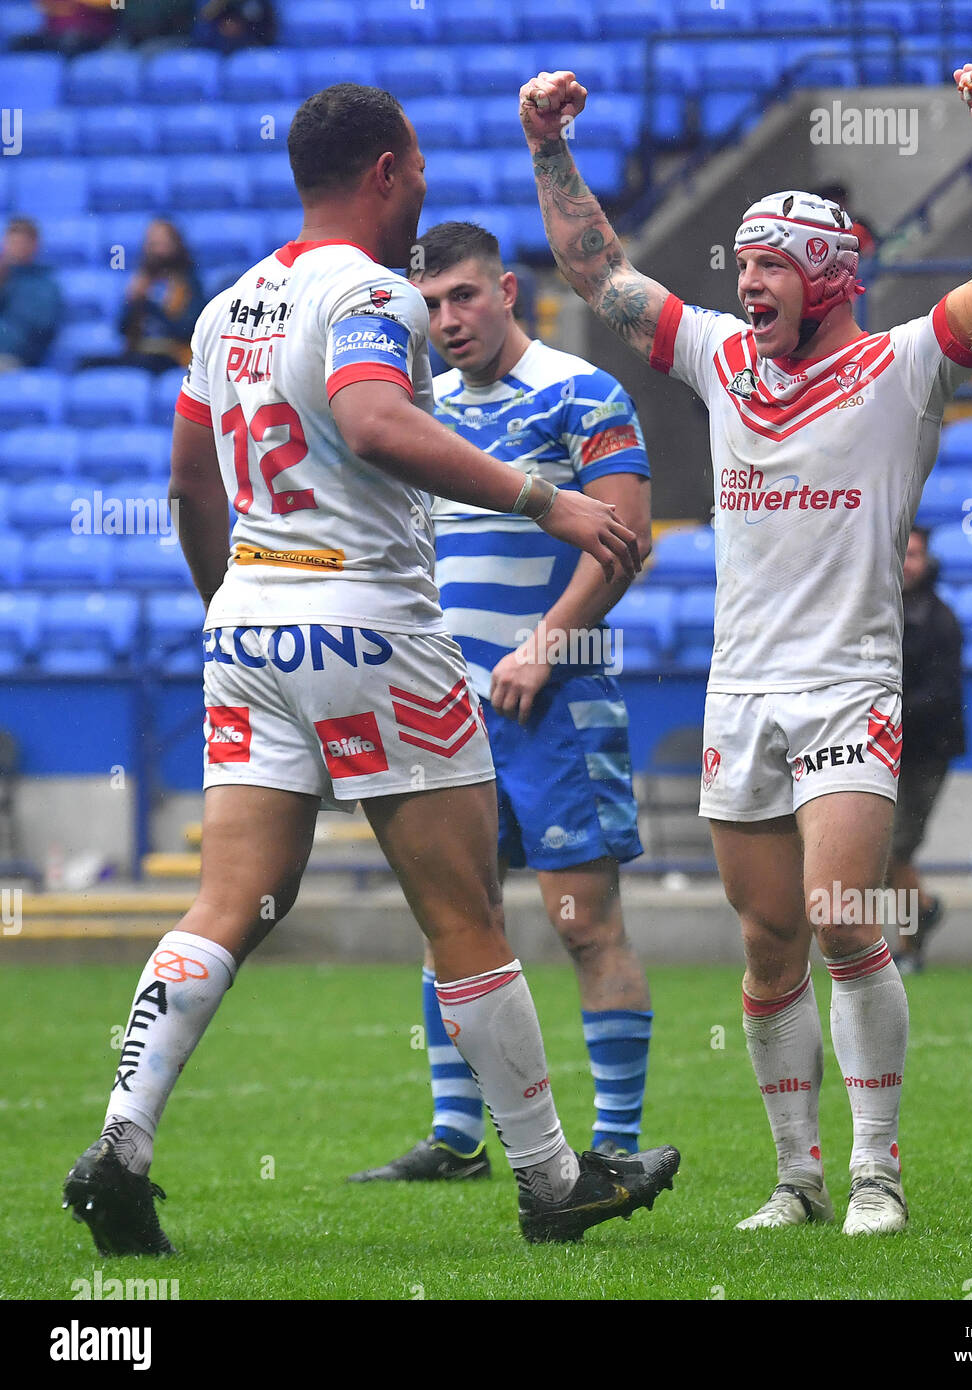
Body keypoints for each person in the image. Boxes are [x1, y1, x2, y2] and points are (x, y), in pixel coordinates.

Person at [62, 83, 680, 1256]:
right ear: (387, 172)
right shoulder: (368, 293)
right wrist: (543, 500)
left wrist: (231, 609)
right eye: (422, 171)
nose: (426, 193)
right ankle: (552, 1179)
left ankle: (122, 1139)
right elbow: (375, 423)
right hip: (370, 622)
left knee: (229, 902)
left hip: (247, 619)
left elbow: (192, 481)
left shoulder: (229, 301)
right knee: (460, 912)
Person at [519, 60, 972, 1234]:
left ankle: (875, 1173)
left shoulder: (900, 365)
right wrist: (548, 148)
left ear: (826, 276)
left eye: (768, 266)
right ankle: (795, 1177)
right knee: (764, 947)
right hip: (738, 690)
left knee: (843, 913)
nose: (746, 284)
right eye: (741, 266)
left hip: (848, 682)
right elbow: (599, 275)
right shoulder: (718, 356)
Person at [347, 221, 655, 1182]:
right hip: (447, 705)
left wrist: (543, 647)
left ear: (508, 290)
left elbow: (627, 540)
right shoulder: (415, 412)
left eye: (463, 298)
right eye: (430, 305)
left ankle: (611, 1142)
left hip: (553, 706)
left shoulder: (581, 391)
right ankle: (455, 1136)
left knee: (581, 921)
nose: (446, 320)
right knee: (454, 916)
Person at [887, 526, 966, 975]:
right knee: (885, 856)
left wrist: (887, 712)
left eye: (914, 554)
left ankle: (911, 949)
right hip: (885, 749)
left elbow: (942, 695)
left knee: (897, 852)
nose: (907, 563)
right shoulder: (877, 612)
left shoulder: (940, 620)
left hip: (923, 754)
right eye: (902, 553)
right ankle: (925, 908)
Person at [82, 220, 206, 374]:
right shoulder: (143, 279)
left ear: (176, 245)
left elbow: (187, 329)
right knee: (86, 364)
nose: (156, 250)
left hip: (172, 354)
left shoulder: (189, 282)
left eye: (162, 243)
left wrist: (152, 305)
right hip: (139, 352)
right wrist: (132, 301)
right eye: (152, 243)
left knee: (145, 363)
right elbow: (121, 330)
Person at [0, 217, 63, 370]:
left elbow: (40, 326)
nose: (16, 248)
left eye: (22, 243)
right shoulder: (4, 276)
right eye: (12, 243)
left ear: (35, 245)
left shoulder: (46, 285)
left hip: (17, 357)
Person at [10, 0, 117, 56]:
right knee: (20, 42)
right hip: (54, 34)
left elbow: (117, 4)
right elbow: (44, 6)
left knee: (71, 40)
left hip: (91, 35)